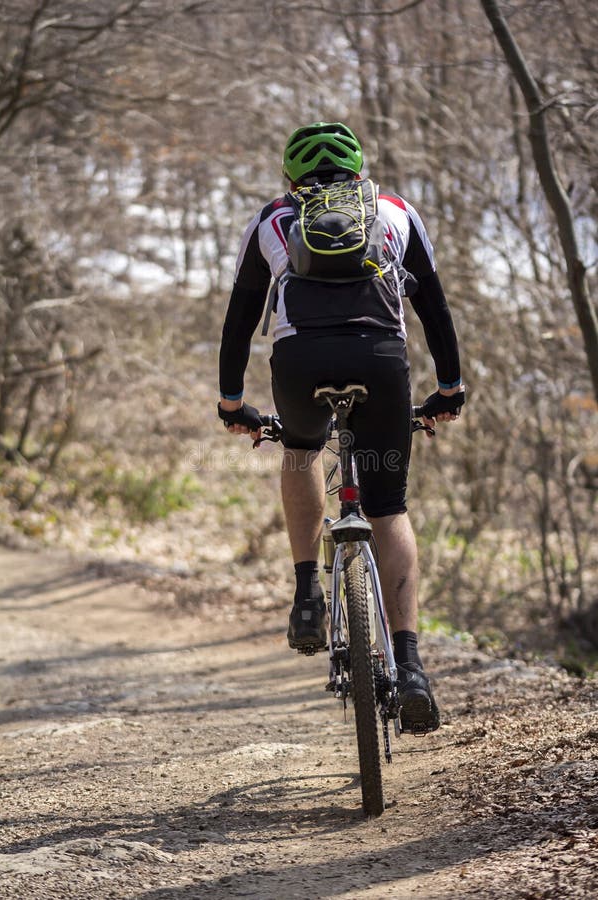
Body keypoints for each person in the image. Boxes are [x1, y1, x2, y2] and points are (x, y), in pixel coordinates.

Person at [218, 122, 464, 733]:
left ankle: (307, 593)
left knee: (300, 450)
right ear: (358, 171)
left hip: (299, 363)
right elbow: (433, 307)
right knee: (388, 508)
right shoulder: (396, 211)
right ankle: (410, 668)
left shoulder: (273, 218)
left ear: (292, 178)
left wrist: (231, 403)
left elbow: (239, 318)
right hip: (380, 362)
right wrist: (450, 391)